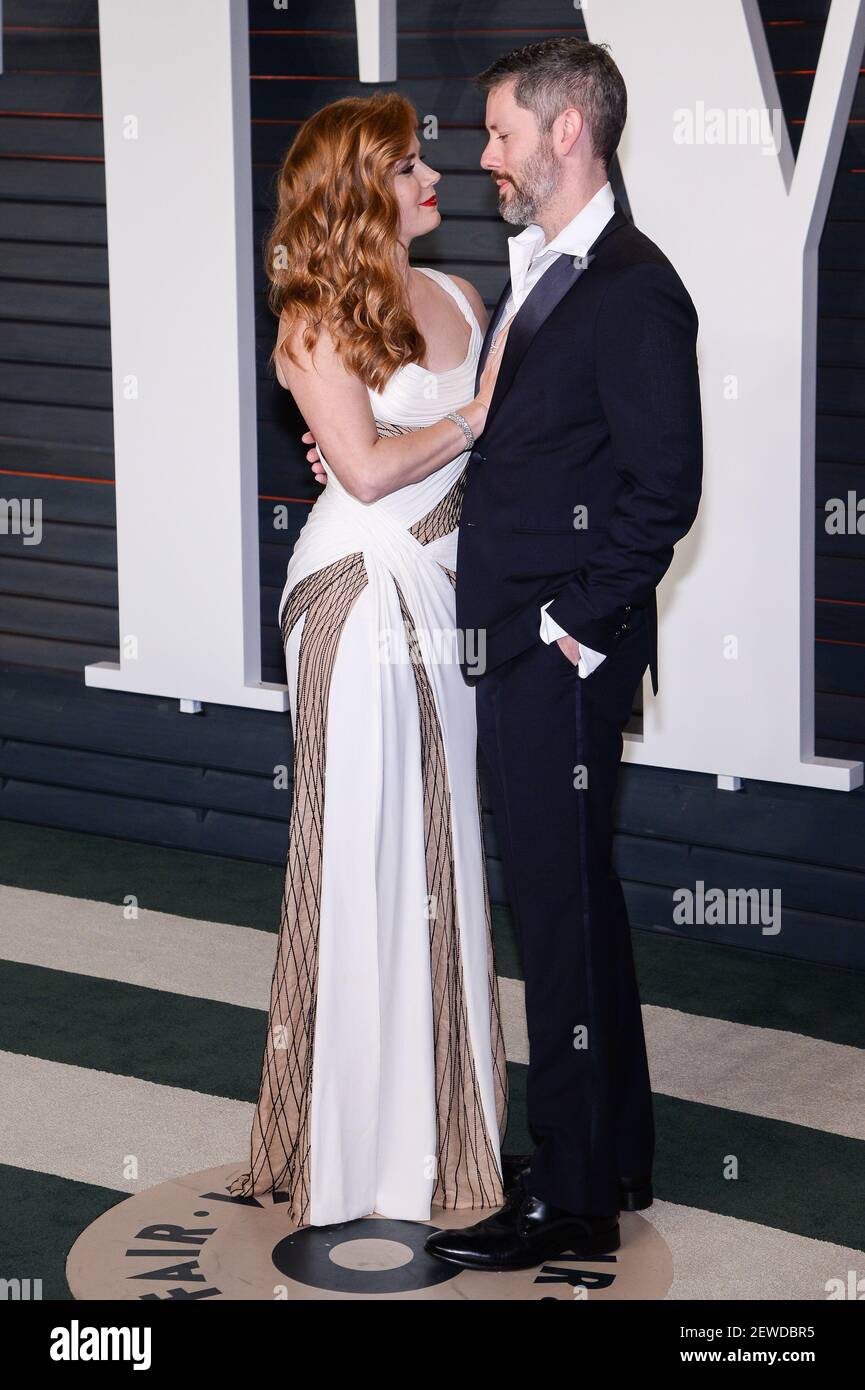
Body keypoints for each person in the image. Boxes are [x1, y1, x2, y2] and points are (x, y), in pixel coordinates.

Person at [308, 36, 703, 1272]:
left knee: (555, 907)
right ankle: (608, 1151)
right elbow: (507, 447)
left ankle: (575, 1196)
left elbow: (662, 491)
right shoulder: (539, 274)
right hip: (521, 650)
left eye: (499, 134)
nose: (484, 158)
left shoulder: (631, 284)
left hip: (557, 658)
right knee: (575, 906)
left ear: (567, 132)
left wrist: (567, 628)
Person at [228, 90, 517, 1229]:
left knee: (440, 851)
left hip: (445, 602)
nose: (431, 177)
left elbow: (465, 452)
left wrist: (466, 427)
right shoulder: (309, 316)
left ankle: (446, 1129)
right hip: (355, 601)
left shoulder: (459, 293)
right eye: (405, 167)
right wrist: (474, 417)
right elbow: (363, 472)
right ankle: (354, 1148)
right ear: (359, 192)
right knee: (364, 850)